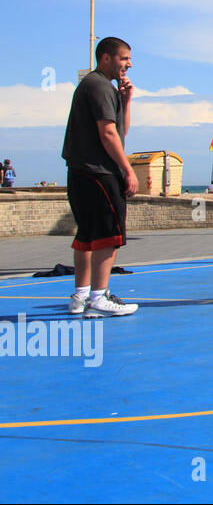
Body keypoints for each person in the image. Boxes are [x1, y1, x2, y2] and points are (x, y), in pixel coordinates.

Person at [63, 36, 140, 317]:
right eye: (123, 58)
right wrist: (127, 170)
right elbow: (109, 135)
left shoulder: (100, 88)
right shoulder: (98, 86)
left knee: (87, 236)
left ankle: (80, 296)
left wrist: (126, 101)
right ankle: (99, 298)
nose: (128, 64)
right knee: (108, 237)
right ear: (105, 58)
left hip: (81, 173)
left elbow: (120, 132)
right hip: (99, 173)